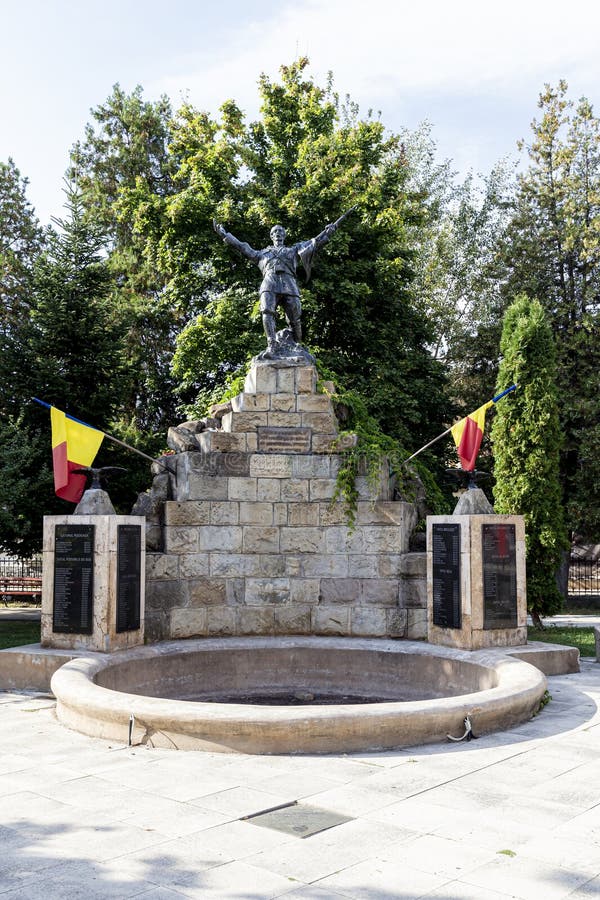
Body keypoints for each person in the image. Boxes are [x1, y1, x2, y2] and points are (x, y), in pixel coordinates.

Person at [213, 210, 353, 357]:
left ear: (284, 235)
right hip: (269, 283)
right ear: (271, 236)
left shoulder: (293, 250)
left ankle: (297, 345)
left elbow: (314, 244)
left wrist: (329, 233)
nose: (278, 233)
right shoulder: (262, 254)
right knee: (266, 311)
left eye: (280, 231)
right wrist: (224, 234)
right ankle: (272, 345)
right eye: (275, 232)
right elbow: (242, 247)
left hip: (289, 283)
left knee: (295, 317)